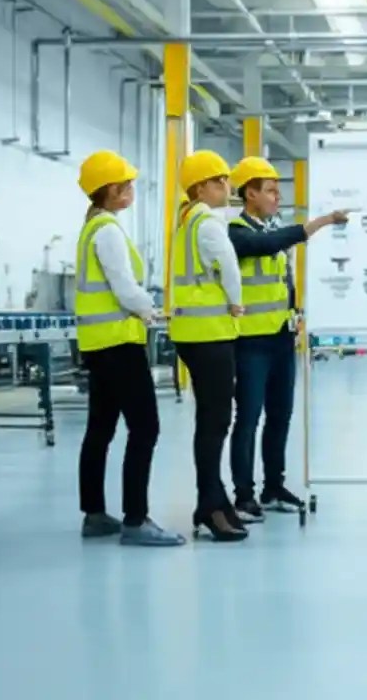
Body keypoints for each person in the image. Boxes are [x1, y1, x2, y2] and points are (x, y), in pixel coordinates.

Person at [226, 156, 351, 522]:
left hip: (281, 339)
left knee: (281, 415)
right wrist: (321, 222)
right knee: (248, 418)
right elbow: (266, 246)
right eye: (270, 191)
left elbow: (283, 280)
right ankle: (244, 496)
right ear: (250, 194)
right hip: (250, 342)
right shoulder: (236, 232)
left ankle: (273, 487)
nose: (277, 197)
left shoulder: (270, 229)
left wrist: (297, 314)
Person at [74, 149, 185, 547]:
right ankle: (136, 520)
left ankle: (94, 514)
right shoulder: (106, 231)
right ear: (111, 189)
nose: (133, 189)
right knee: (145, 426)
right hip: (119, 343)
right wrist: (152, 311)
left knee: (100, 429)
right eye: (128, 183)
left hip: (98, 344)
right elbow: (123, 288)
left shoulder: (93, 228)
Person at [169, 150, 249, 542]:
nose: (227, 187)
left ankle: (214, 500)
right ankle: (210, 504)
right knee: (216, 422)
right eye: (220, 181)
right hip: (211, 335)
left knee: (210, 421)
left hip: (189, 335)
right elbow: (229, 268)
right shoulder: (208, 224)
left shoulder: (185, 221)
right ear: (201, 187)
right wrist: (235, 301)